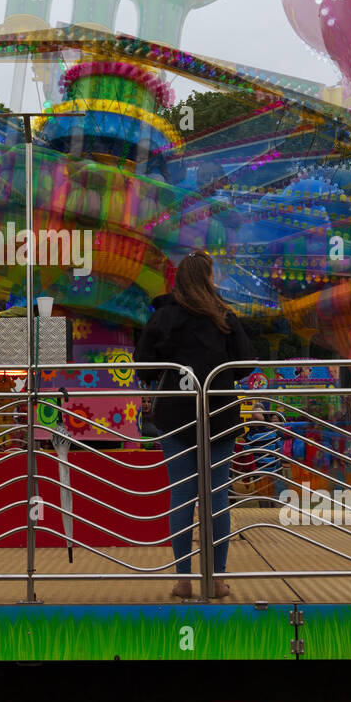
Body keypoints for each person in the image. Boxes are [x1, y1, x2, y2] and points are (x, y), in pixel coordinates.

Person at [135, 250, 254, 599]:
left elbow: (143, 368)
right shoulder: (223, 315)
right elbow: (246, 363)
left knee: (182, 496)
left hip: (175, 417)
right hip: (219, 416)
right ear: (207, 278)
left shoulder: (163, 317)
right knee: (217, 497)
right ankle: (216, 579)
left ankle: (184, 579)